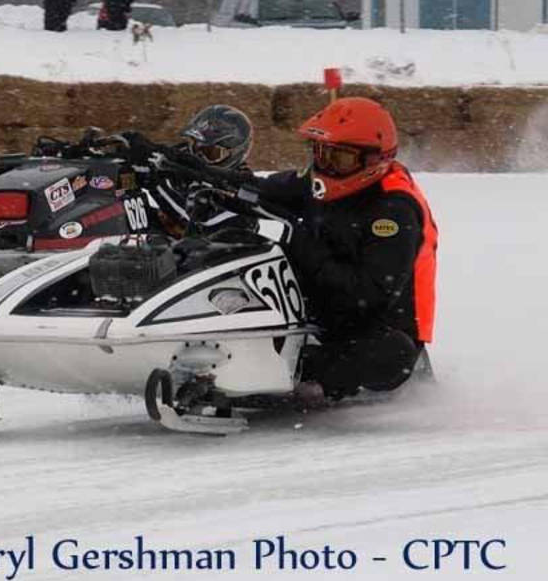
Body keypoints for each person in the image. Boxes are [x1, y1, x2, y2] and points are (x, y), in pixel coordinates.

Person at [223, 97, 438, 401]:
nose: (326, 166)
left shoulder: (394, 210)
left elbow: (366, 295)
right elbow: (261, 189)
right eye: (320, 154)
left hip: (375, 326)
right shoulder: (319, 181)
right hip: (321, 306)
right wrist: (199, 173)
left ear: (373, 160)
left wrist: (301, 243)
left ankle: (300, 380)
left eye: (340, 159)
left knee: (390, 353)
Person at [123, 104, 258, 237]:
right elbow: (166, 156)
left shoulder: (243, 187)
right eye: (196, 147)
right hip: (172, 236)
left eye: (210, 153)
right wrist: (130, 158)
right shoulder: (187, 156)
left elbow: (197, 219)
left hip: (214, 244)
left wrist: (154, 181)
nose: (199, 158)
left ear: (235, 153)